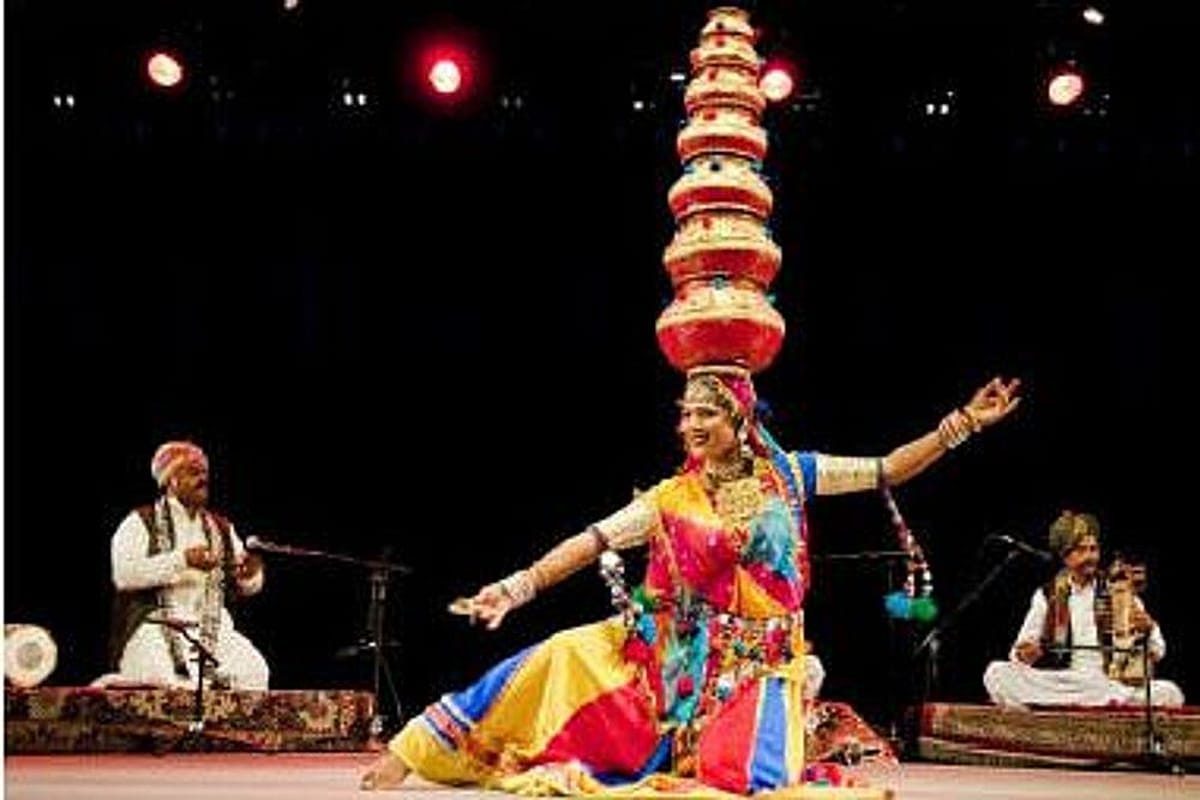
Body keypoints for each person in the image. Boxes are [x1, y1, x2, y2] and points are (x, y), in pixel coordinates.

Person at [360, 369, 1020, 793]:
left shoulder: (792, 475)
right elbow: (590, 541)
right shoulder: (670, 498)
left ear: (742, 422)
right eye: (685, 414)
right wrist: (516, 587)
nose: (691, 426)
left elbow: (888, 469)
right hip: (674, 657)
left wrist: (960, 424)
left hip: (763, 669)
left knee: (745, 780)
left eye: (706, 414)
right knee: (559, 654)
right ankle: (416, 747)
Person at [103, 440, 270, 690]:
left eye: (205, 473)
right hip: (155, 626)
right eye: (194, 472)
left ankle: (211, 713)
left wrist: (251, 575)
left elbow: (246, 586)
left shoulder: (221, 527)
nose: (203, 478)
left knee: (254, 672)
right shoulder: (139, 521)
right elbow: (124, 575)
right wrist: (183, 560)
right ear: (170, 481)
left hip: (211, 629)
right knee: (162, 682)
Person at [983, 510, 1184, 709]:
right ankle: (1099, 703)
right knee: (996, 673)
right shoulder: (1047, 595)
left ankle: (1062, 705)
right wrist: (1025, 654)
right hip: (1061, 681)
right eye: (1081, 550)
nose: (1090, 556)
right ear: (1065, 556)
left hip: (1107, 681)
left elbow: (1158, 650)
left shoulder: (1118, 590)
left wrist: (1148, 628)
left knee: (1168, 692)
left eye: (1093, 549)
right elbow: (1017, 653)